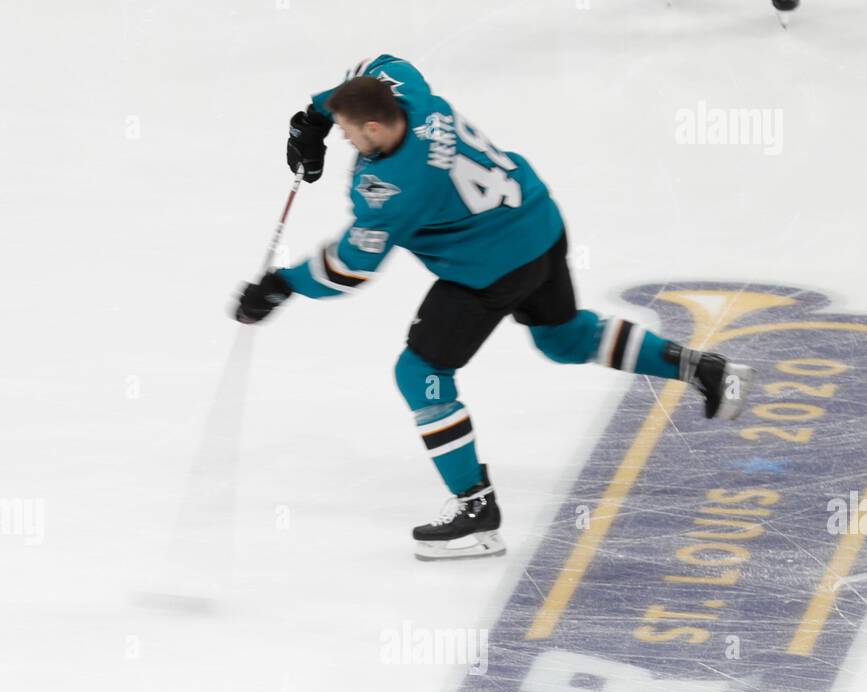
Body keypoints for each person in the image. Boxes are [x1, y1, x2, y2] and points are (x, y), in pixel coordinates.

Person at [235, 55, 755, 560]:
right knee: (564, 338)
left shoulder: (394, 190)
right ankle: (702, 368)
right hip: (539, 223)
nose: (345, 138)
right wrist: (316, 117)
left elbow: (348, 268)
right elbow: (380, 62)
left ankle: (475, 508)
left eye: (350, 131)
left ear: (373, 128)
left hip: (491, 268)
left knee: (420, 371)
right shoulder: (415, 97)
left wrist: (281, 285)